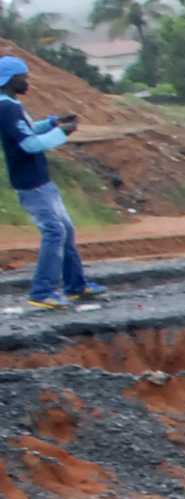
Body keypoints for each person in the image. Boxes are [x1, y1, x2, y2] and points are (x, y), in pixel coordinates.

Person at [1, 57, 98, 310]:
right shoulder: (6, 109)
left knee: (65, 229)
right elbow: (30, 144)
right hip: (31, 183)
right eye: (23, 77)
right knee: (55, 232)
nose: (27, 81)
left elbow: (29, 130)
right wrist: (62, 133)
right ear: (10, 79)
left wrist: (52, 124)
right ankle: (42, 292)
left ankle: (76, 286)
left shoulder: (11, 105)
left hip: (40, 181)